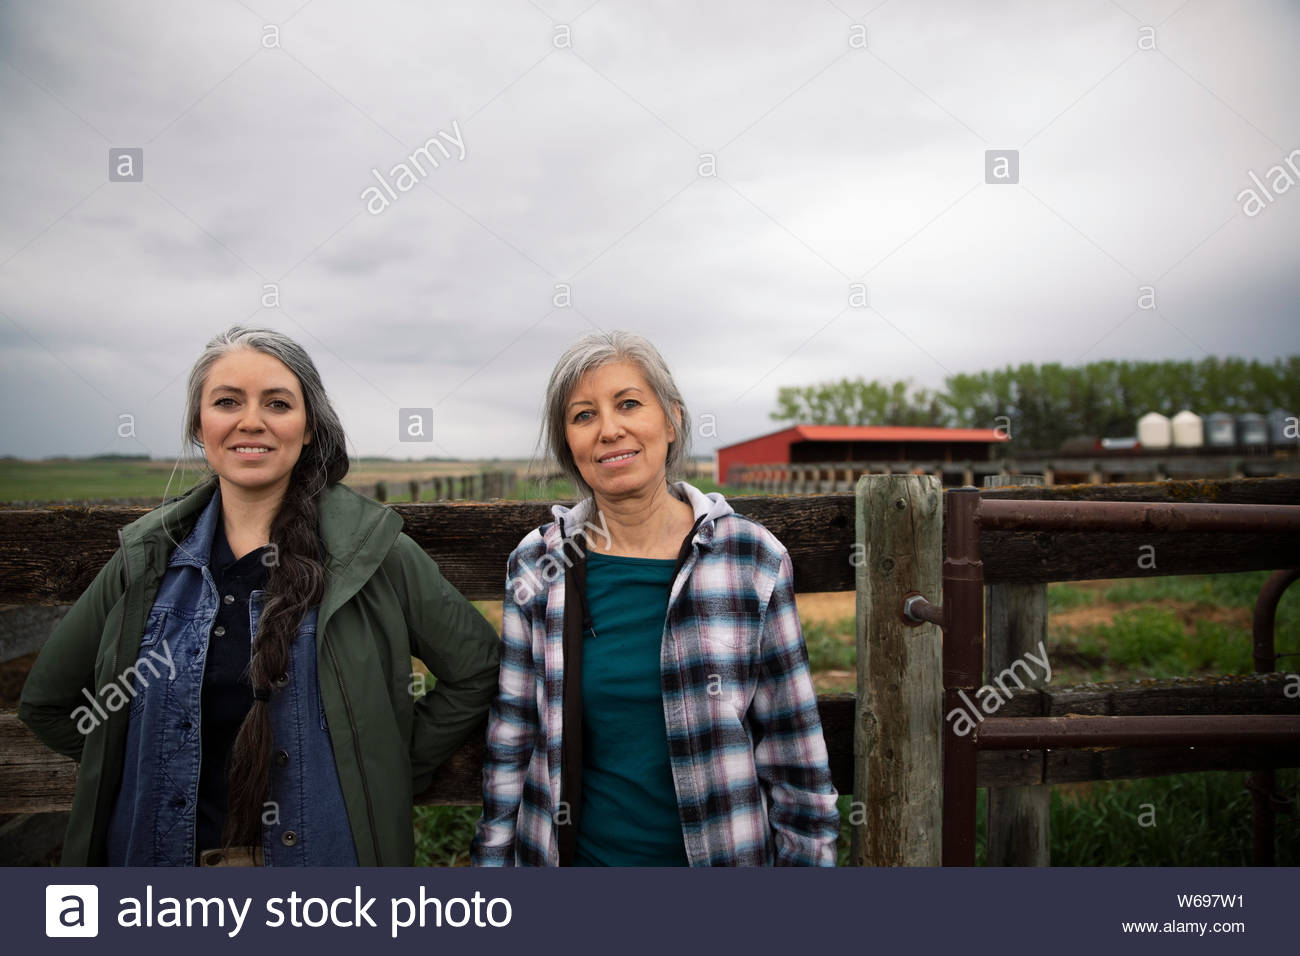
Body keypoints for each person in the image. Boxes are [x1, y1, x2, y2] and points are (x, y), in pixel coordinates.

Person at [19, 326, 500, 866]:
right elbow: (48, 704)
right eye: (227, 402)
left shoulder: (372, 552)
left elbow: (477, 664)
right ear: (200, 426)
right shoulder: (148, 558)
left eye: (277, 403)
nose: (252, 420)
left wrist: (381, 769)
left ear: (309, 427)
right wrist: (140, 764)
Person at [472, 331, 839, 866]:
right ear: (569, 446)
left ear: (671, 420)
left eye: (628, 404)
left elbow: (795, 754)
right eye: (583, 415)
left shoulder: (750, 558)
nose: (609, 429)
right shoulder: (539, 565)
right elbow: (511, 739)